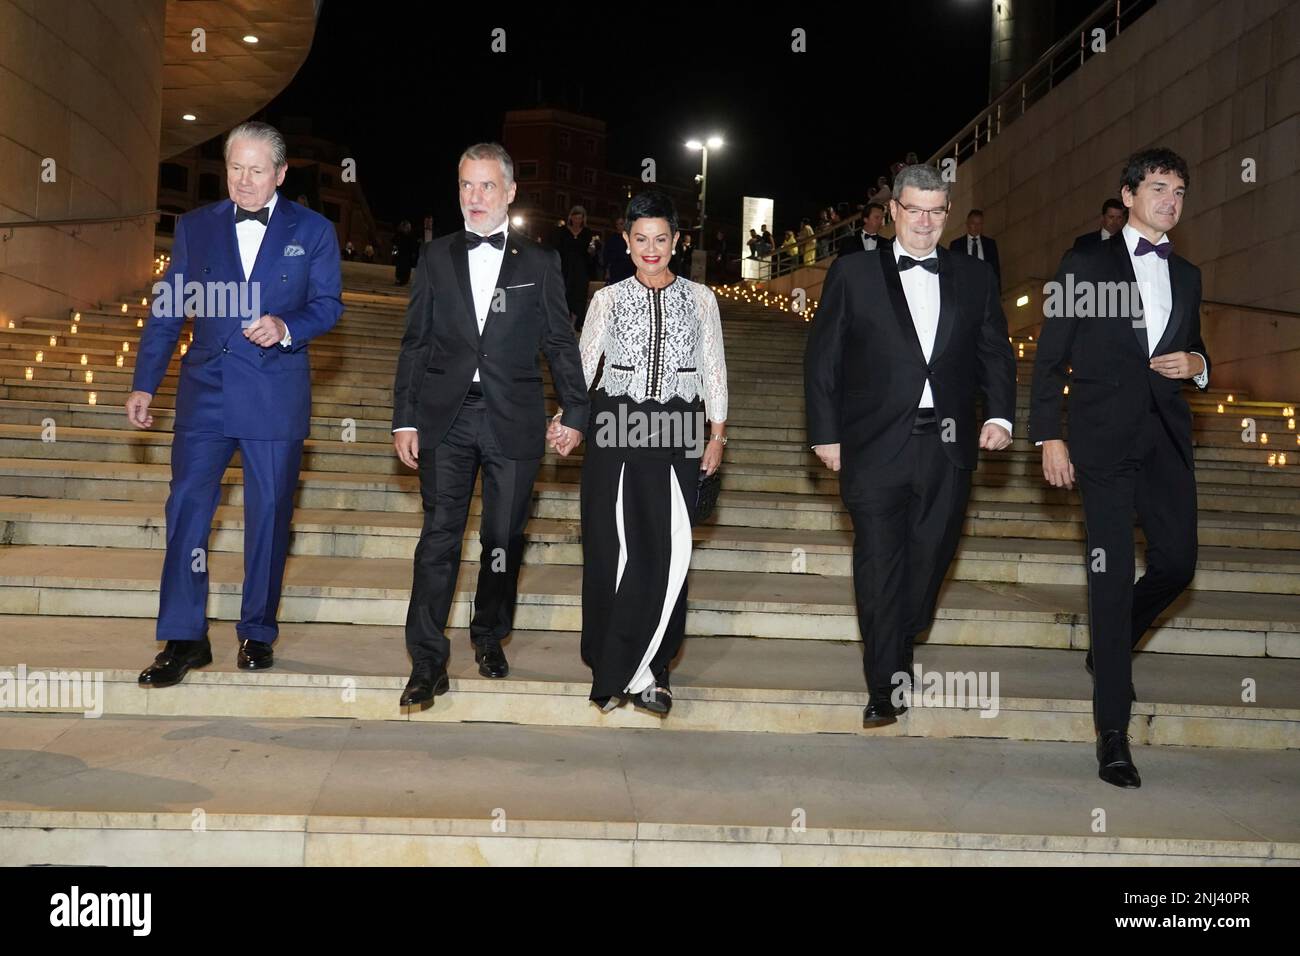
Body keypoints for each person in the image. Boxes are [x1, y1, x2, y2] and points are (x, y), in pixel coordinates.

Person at [129, 121, 344, 687]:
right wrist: (145, 383)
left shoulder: (314, 230)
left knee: (269, 513)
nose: (244, 181)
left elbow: (328, 304)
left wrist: (286, 326)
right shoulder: (196, 226)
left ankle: (257, 631)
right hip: (204, 393)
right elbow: (168, 308)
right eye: (234, 168)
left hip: (274, 393)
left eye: (256, 170)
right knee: (186, 509)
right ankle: (184, 637)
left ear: (281, 173)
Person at [804, 164, 1015, 729]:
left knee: (928, 559)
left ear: (947, 215)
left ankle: (901, 631)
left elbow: (995, 350)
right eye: (914, 209)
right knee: (878, 563)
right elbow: (823, 357)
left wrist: (999, 414)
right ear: (893, 210)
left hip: (946, 446)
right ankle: (884, 686)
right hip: (873, 445)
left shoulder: (974, 276)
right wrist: (825, 433)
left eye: (935, 211)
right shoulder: (852, 272)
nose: (924, 221)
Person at [1030, 148, 1209, 788]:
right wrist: (1049, 436)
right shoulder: (1084, 263)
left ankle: (1112, 641)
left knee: (1178, 563)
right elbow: (1050, 357)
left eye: (1179, 192)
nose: (1170, 201)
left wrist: (1199, 366)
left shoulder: (1187, 274)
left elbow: (1196, 348)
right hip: (1101, 444)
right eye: (1158, 188)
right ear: (1128, 195)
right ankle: (1113, 734)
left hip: (1166, 441)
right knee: (1107, 580)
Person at [391, 142, 591, 709]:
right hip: (446, 418)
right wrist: (405, 418)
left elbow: (559, 341)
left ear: (509, 193)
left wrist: (577, 410)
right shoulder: (436, 257)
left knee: (502, 538)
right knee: (439, 537)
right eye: (466, 185)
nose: (474, 197)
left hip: (514, 418)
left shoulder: (540, 262)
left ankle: (488, 632)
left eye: (486, 186)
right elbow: (415, 342)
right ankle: (427, 661)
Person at [559, 189, 728, 715]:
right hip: (615, 425)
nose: (651, 249)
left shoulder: (701, 299)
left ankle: (655, 672)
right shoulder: (607, 299)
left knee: (667, 552)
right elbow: (584, 365)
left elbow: (714, 367)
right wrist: (568, 419)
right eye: (640, 239)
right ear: (626, 242)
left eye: (660, 239)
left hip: (679, 428)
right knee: (612, 549)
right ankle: (612, 668)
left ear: (676, 241)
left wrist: (717, 435)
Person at [549, 205, 596, 329]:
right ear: (571, 218)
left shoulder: (587, 232)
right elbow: (556, 248)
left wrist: (592, 251)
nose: (577, 221)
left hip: (581, 268)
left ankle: (574, 323)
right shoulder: (562, 231)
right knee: (564, 293)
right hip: (565, 267)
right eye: (575, 218)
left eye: (580, 218)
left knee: (579, 294)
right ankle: (563, 321)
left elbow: (590, 251)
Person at [948, 209, 1001, 283]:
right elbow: (952, 270)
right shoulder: (956, 245)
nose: (976, 227)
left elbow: (995, 270)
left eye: (979, 224)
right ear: (967, 224)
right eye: (973, 223)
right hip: (964, 286)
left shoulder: (990, 244)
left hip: (984, 286)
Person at [603, 216, 635, 283]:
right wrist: (607, 271)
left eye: (621, 224)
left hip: (629, 269)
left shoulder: (631, 237)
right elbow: (607, 256)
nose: (619, 226)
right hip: (616, 270)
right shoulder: (612, 239)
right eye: (617, 224)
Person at [393, 220, 417, 285]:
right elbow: (395, 245)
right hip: (400, 254)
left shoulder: (410, 236)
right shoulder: (399, 235)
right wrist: (394, 254)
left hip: (407, 255)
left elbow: (413, 246)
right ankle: (399, 279)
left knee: (406, 268)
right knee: (399, 267)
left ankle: (404, 280)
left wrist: (413, 254)